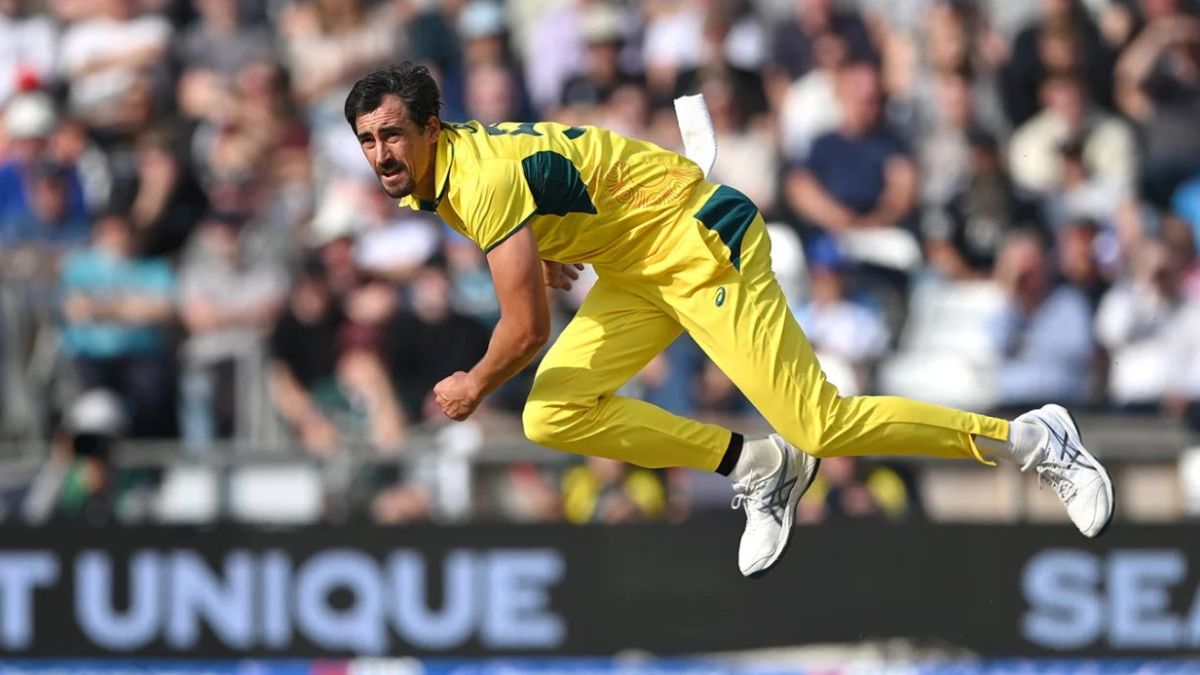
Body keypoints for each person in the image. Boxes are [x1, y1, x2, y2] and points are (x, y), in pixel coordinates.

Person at [345, 62, 1115, 579]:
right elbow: (542, 192)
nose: (381, 152)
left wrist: (474, 384)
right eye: (369, 140)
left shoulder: (473, 179)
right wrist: (543, 249)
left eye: (392, 134)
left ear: (433, 126)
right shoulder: (428, 176)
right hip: (638, 261)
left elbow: (524, 333)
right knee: (552, 414)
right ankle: (756, 467)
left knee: (821, 425)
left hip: (698, 239)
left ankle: (1037, 440)